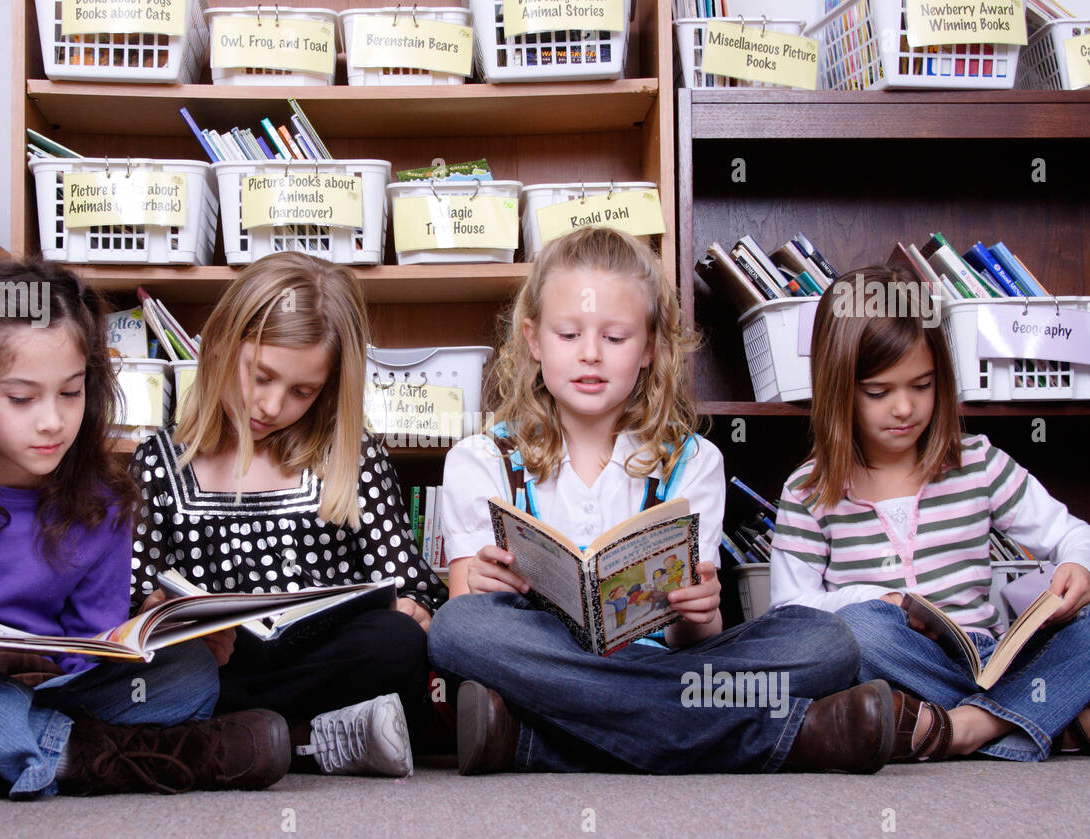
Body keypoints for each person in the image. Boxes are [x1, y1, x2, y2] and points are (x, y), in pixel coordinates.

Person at [428, 227, 908, 776]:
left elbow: (692, 636)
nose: (590, 354)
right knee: (457, 631)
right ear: (534, 341)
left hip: (635, 671)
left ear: (650, 347)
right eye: (568, 335)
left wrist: (700, 612)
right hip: (548, 662)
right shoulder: (482, 457)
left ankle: (534, 742)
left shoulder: (693, 462)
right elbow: (468, 611)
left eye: (615, 338)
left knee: (827, 642)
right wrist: (484, 583)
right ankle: (788, 735)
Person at [0, 259, 289, 801]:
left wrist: (121, 643)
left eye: (70, 393)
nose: (52, 421)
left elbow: (90, 648)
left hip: (54, 693)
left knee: (190, 671)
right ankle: (84, 758)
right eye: (22, 398)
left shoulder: (106, 504)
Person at [130, 252, 448, 777]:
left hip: (321, 662)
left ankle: (246, 739)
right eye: (260, 375)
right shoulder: (160, 462)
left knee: (395, 643)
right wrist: (166, 621)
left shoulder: (349, 456)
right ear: (222, 345)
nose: (272, 406)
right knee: (156, 677)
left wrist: (414, 606)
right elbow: (134, 603)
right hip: (221, 668)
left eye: (302, 391)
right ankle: (317, 739)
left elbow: (414, 587)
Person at [771, 264, 1090, 761]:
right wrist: (879, 601)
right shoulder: (809, 491)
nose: (905, 408)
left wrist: (1077, 564)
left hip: (989, 659)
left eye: (922, 385)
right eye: (879, 392)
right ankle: (1040, 721)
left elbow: (1070, 533)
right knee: (857, 633)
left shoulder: (975, 462)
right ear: (838, 389)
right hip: (899, 664)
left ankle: (964, 727)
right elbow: (789, 609)